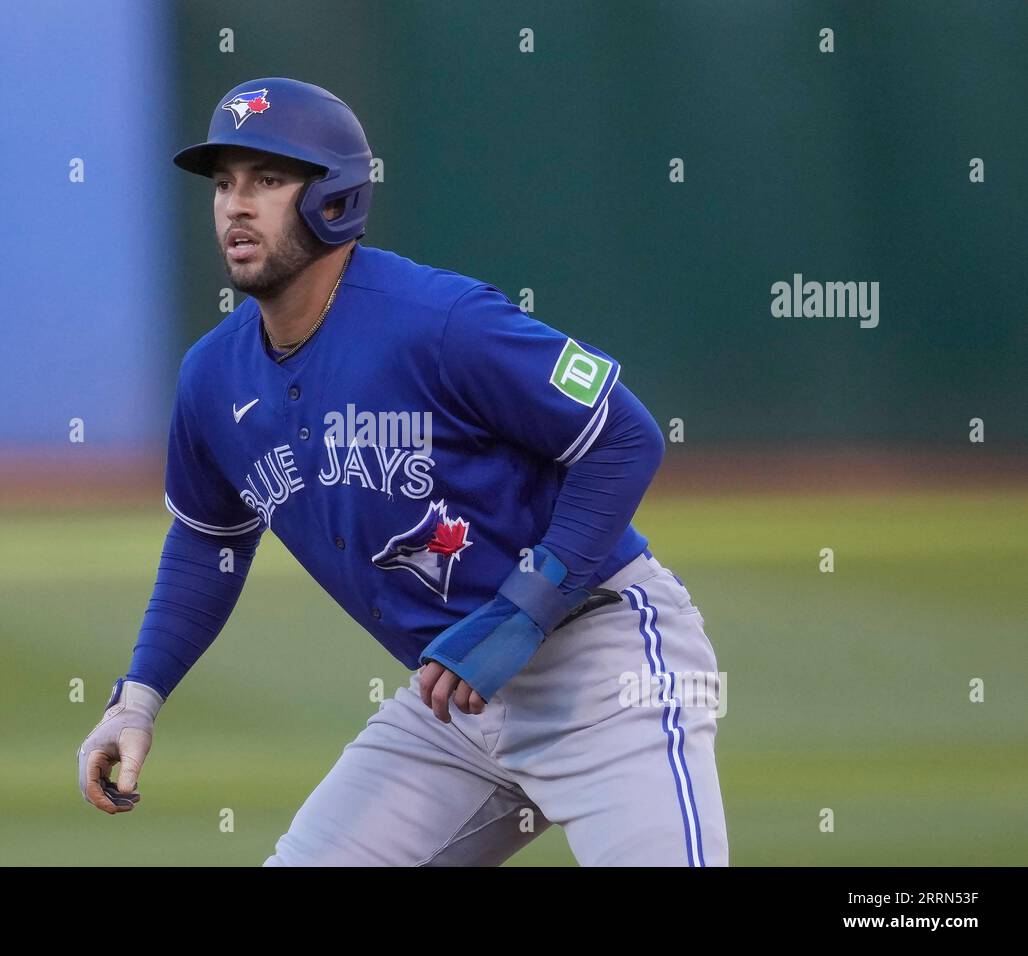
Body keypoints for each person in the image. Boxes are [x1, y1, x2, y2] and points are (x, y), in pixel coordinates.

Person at [77, 77, 728, 866]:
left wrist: (520, 613)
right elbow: (208, 542)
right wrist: (138, 696)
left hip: (602, 666)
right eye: (224, 184)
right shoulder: (213, 378)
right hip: (451, 706)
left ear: (335, 199)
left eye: (268, 180)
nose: (235, 206)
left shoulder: (441, 321)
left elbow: (624, 436)